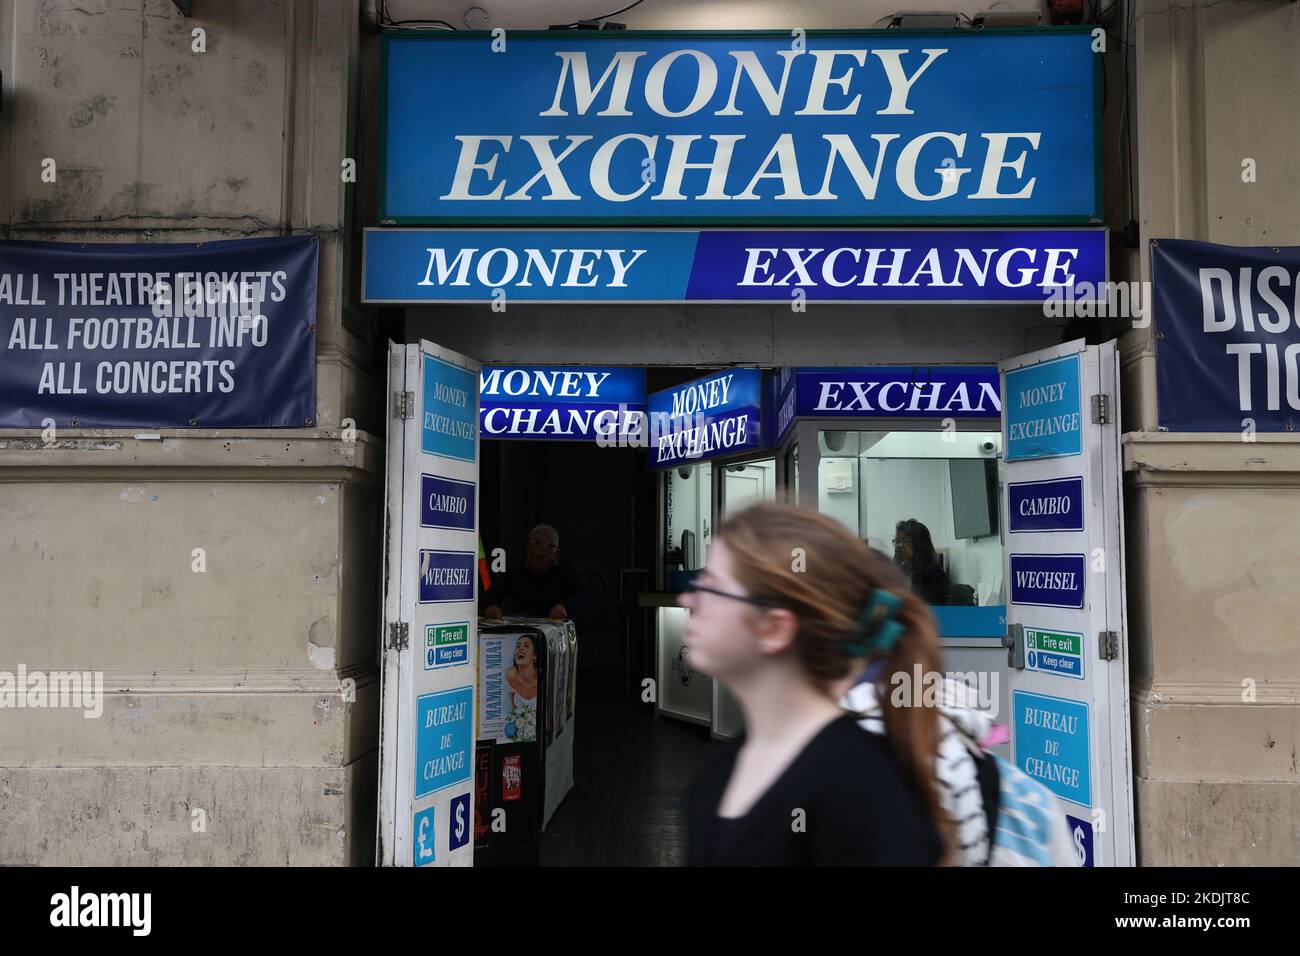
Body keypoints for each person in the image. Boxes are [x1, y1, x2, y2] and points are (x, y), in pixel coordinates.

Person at [681, 502, 949, 866]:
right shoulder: (723, 769)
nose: (688, 599)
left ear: (775, 628)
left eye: (712, 587)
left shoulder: (861, 791)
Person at [482, 524, 593, 621]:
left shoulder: (567, 569)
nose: (535, 562)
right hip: (526, 631)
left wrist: (565, 607)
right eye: (531, 556)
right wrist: (492, 606)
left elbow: (586, 597)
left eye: (541, 558)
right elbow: (491, 595)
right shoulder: (516, 570)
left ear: (555, 555)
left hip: (557, 628)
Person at [892, 518, 952, 606]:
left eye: (906, 541)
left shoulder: (934, 574)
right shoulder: (897, 571)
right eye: (897, 541)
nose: (900, 546)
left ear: (920, 544)